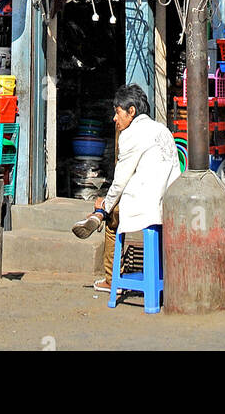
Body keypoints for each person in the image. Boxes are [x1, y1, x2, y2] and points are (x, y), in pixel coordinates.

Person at [72, 84, 180, 291]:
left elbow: (120, 180)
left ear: (131, 111)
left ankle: (111, 280)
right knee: (111, 204)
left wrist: (105, 205)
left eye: (117, 112)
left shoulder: (131, 134)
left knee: (112, 221)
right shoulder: (162, 130)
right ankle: (99, 214)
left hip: (146, 203)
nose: (115, 118)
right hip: (168, 201)